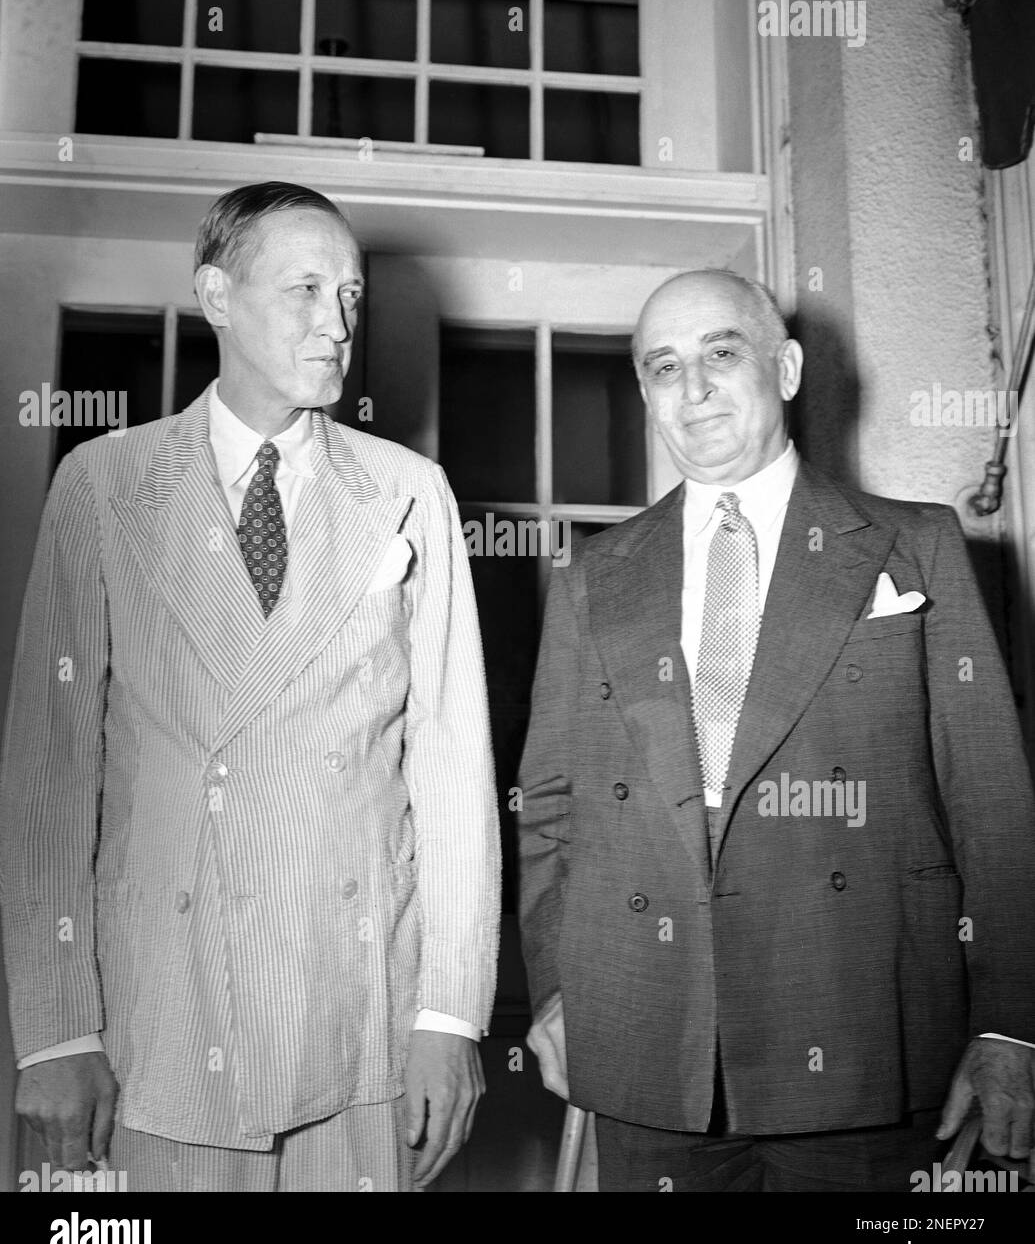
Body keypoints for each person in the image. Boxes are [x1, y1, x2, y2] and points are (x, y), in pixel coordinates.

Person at [0, 181, 500, 1192]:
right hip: (159, 1021)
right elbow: (51, 776)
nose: (337, 323)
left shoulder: (410, 492)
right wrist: (57, 1033)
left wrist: (450, 1015)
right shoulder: (103, 484)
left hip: (358, 1020)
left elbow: (454, 772)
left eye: (350, 294)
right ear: (216, 296)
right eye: (305, 288)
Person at [518, 268, 1035, 1192]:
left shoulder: (913, 544)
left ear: (787, 369)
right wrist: (558, 987)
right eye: (662, 366)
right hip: (647, 1050)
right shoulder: (593, 575)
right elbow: (551, 805)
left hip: (864, 1043)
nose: (692, 388)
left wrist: (1010, 1025)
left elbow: (990, 801)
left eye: (721, 353)